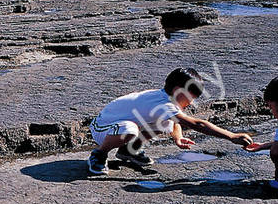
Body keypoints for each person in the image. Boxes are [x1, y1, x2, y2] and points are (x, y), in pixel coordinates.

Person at [86, 66, 253, 176]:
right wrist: (231, 136)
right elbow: (196, 124)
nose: (191, 103)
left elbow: (174, 121)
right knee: (129, 129)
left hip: (114, 126)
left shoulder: (165, 99)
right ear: (177, 90)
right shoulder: (163, 103)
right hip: (102, 128)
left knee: (164, 123)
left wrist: (177, 138)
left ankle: (128, 151)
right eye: (190, 98)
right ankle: (99, 154)